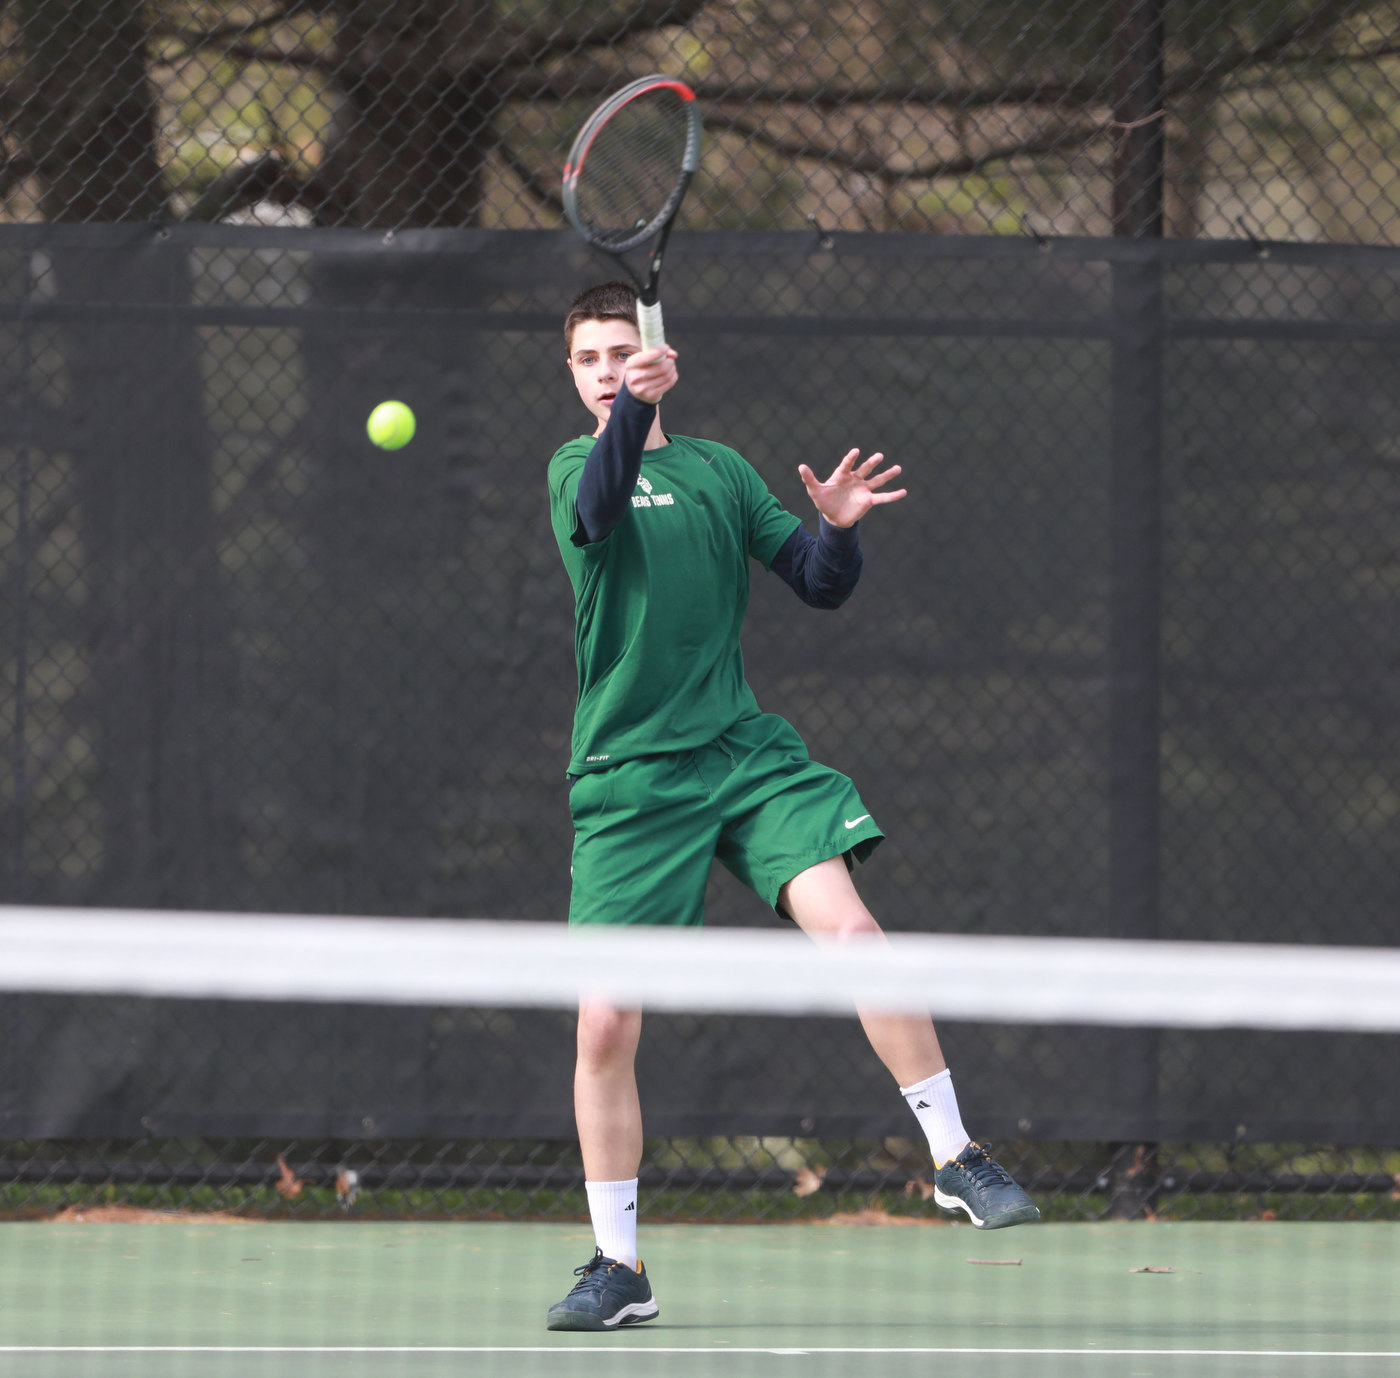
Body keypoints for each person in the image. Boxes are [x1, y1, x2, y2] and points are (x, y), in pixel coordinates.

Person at [544, 282, 1038, 1333]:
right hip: (630, 781)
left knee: (853, 931)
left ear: (658, 352)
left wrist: (837, 530)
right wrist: (628, 411)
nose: (603, 368)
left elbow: (814, 581)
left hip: (739, 758)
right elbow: (598, 511)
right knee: (604, 1021)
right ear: (574, 373)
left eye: (619, 352)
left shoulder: (720, 471)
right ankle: (618, 1266)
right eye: (588, 357)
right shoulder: (572, 471)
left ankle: (955, 1153)